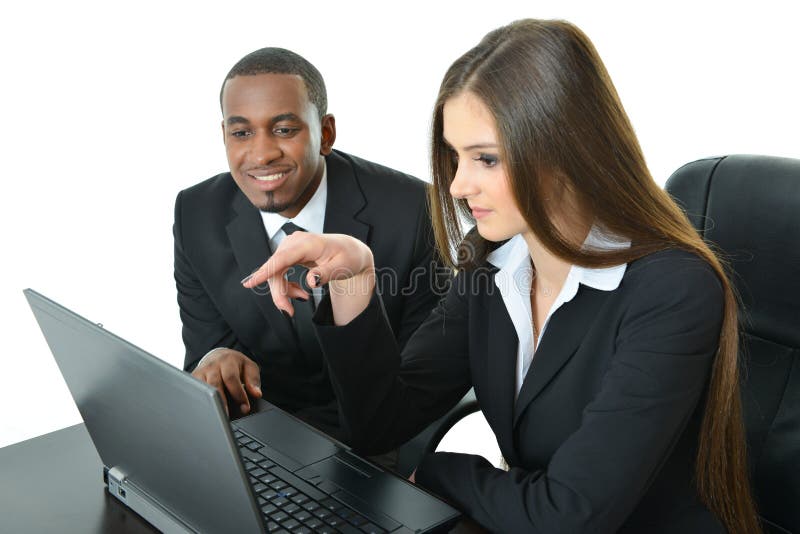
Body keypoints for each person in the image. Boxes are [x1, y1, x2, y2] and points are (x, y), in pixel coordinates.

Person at [244, 20, 762, 533]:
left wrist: (439, 473)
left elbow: (570, 516)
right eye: (455, 157)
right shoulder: (494, 264)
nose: (457, 185)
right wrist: (355, 280)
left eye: (486, 159)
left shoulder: (672, 290)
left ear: (566, 149)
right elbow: (382, 424)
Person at [174, 47, 446, 439]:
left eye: (285, 130)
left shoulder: (414, 210)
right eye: (241, 133)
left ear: (326, 134)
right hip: (260, 435)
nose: (262, 154)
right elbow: (205, 356)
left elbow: (420, 381)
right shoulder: (196, 213)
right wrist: (217, 361)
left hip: (375, 442)